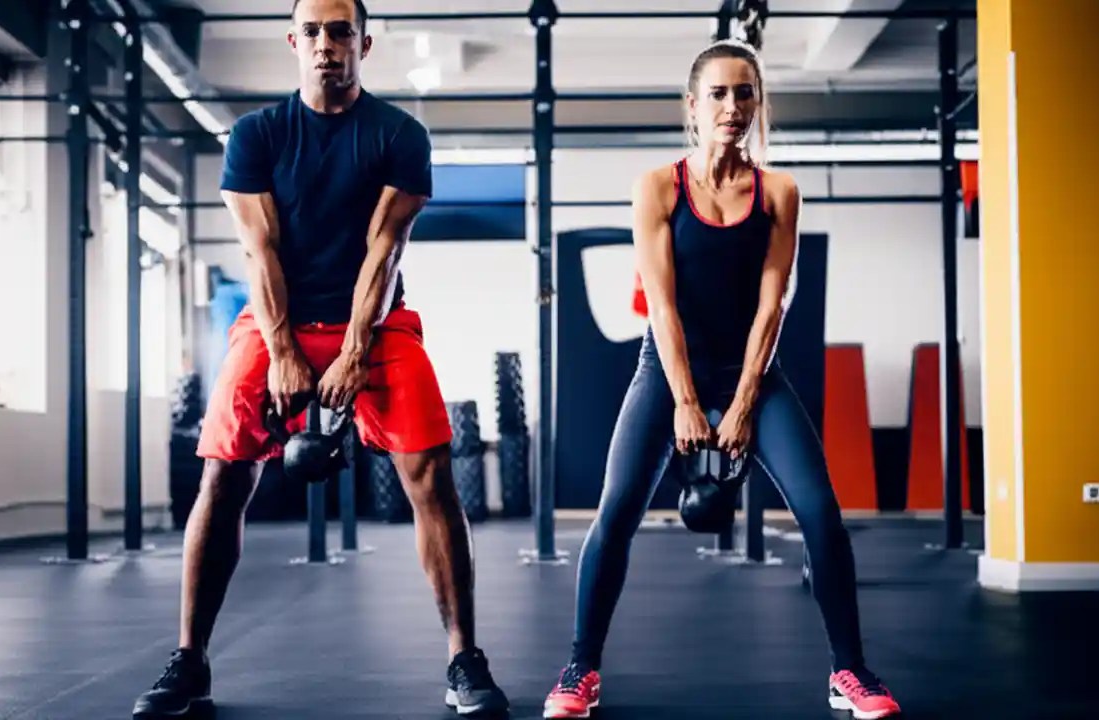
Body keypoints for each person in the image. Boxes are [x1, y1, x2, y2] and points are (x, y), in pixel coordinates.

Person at [132, 1, 509, 717]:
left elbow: (385, 250)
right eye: (313, 32)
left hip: (378, 321)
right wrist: (281, 351)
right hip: (277, 319)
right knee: (222, 470)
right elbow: (260, 250)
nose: (326, 45)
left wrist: (355, 347)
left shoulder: (399, 134)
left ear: (363, 43)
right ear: (293, 42)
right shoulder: (257, 136)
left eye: (340, 32)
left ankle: (464, 657)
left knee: (431, 473)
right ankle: (190, 660)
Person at [541, 39, 903, 720]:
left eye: (745, 94)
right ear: (693, 107)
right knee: (615, 513)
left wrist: (740, 405)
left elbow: (773, 307)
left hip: (753, 375)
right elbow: (663, 305)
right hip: (667, 367)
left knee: (822, 517)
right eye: (719, 94)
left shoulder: (779, 193)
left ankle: (849, 671)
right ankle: (580, 668)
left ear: (758, 105)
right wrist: (684, 401)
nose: (733, 107)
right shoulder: (657, 188)